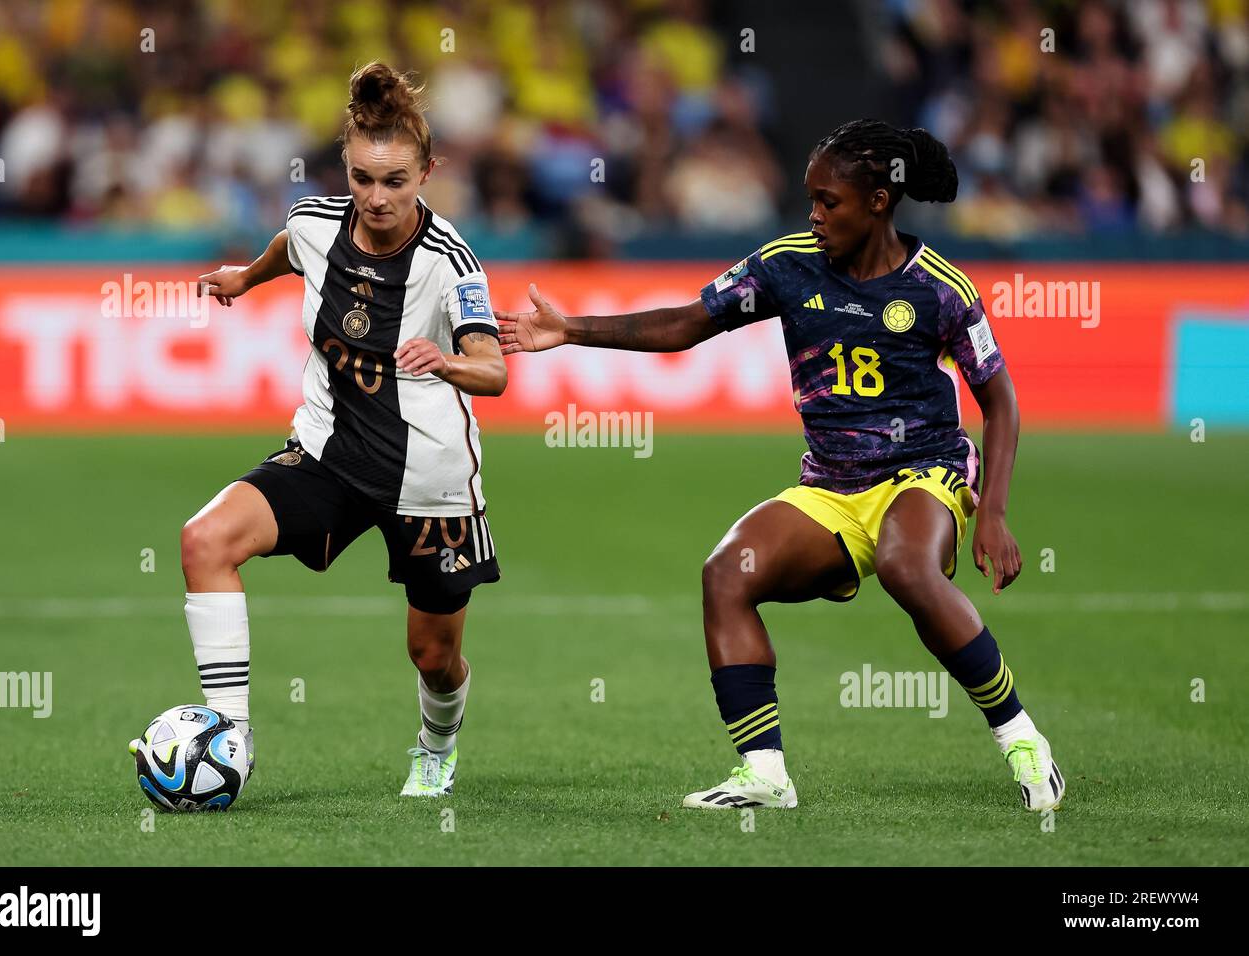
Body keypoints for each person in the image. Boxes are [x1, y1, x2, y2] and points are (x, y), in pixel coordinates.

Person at [496, 119, 1064, 812]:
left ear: (879, 202)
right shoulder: (786, 264)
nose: (814, 215)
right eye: (811, 200)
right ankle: (765, 774)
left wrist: (994, 515)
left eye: (830, 203)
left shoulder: (940, 288)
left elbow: (999, 399)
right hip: (830, 484)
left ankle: (1023, 739)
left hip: (925, 471)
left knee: (905, 566)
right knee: (724, 575)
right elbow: (687, 324)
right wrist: (571, 330)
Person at [180, 62, 505, 798]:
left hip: (429, 478)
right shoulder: (315, 224)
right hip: (327, 455)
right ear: (345, 169)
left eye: (396, 181)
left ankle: (436, 741)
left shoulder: (452, 263)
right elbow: (284, 250)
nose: (378, 197)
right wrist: (242, 278)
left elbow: (495, 370)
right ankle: (227, 740)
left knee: (432, 656)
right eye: (363, 178)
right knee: (204, 541)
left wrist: (451, 363)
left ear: (429, 172)